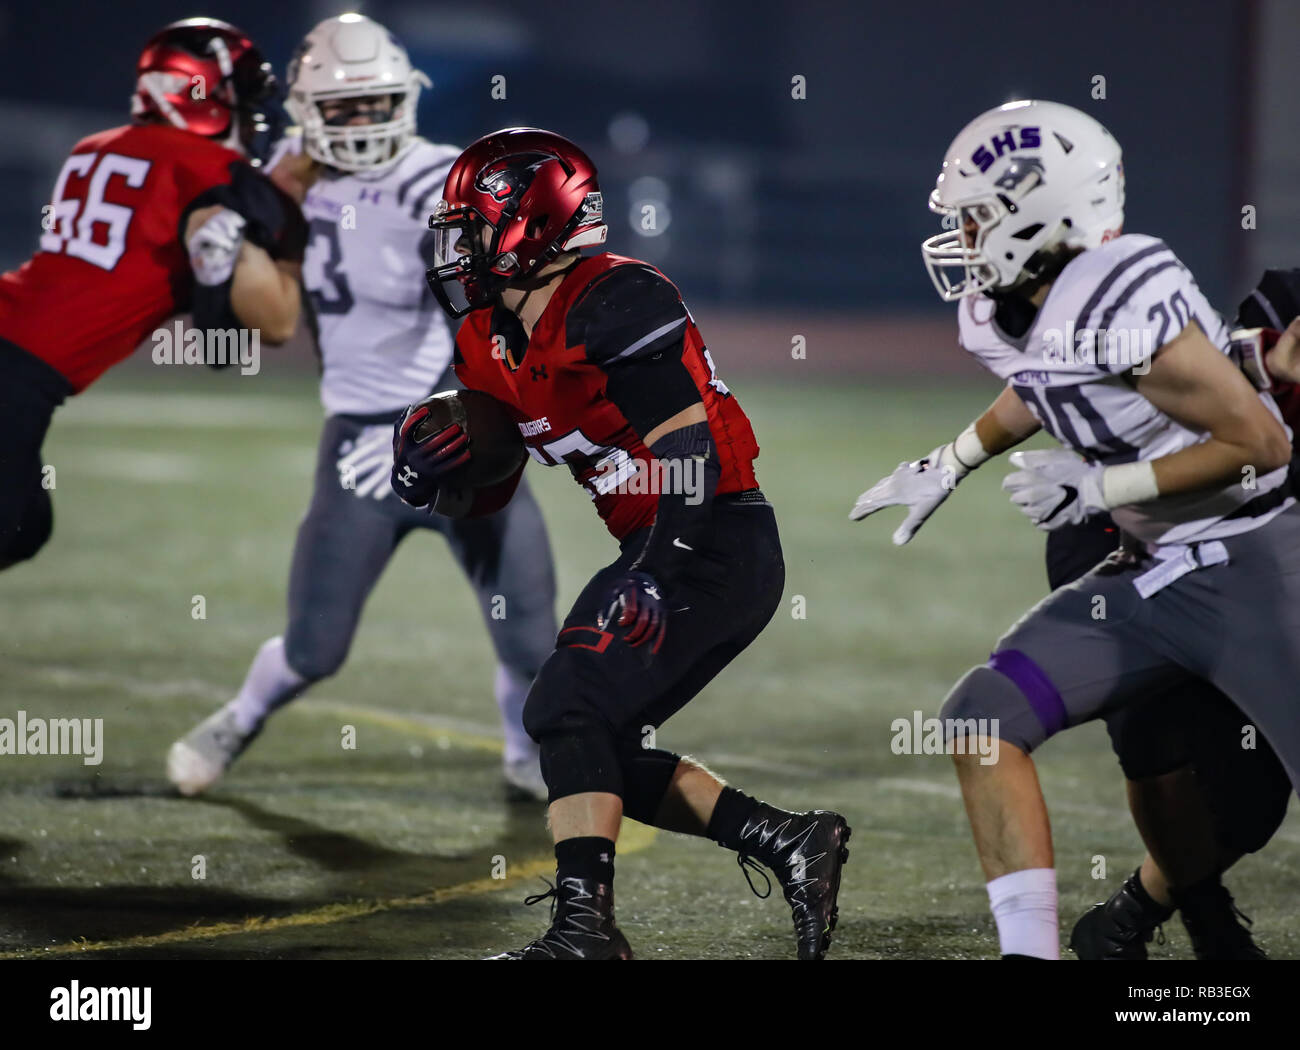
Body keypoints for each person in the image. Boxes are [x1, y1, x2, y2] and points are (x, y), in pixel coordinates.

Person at [852, 99, 1298, 960]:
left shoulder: (1125, 297)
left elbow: (1262, 446)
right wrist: (952, 460)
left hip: (1251, 566)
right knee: (981, 719)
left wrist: (1100, 483)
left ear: (1039, 213)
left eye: (976, 217)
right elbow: (1045, 383)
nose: (963, 235)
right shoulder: (1008, 307)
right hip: (1149, 573)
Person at [393, 128, 850, 959]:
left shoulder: (615, 298)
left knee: (567, 709)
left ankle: (585, 933)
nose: (456, 247)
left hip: (713, 537)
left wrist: (657, 568)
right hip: (659, 545)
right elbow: (492, 488)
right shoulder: (488, 337)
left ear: (532, 223)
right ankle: (786, 839)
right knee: (574, 726)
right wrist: (436, 474)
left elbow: (689, 455)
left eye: (472, 225)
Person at [166, 14, 558, 803]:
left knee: (530, 631)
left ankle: (522, 749)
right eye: (343, 107)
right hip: (355, 438)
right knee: (315, 648)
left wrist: (434, 424)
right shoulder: (283, 181)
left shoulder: (448, 179)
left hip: (457, 427)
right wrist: (219, 267)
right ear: (309, 110)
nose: (363, 121)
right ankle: (238, 718)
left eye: (377, 102)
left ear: (404, 98)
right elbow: (259, 326)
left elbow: (494, 323)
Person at [0, 17, 303, 570]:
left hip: (16, 349)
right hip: (17, 376)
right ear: (201, 96)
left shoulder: (96, 146)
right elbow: (247, 337)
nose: (253, 117)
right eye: (241, 99)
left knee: (25, 523)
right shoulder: (211, 171)